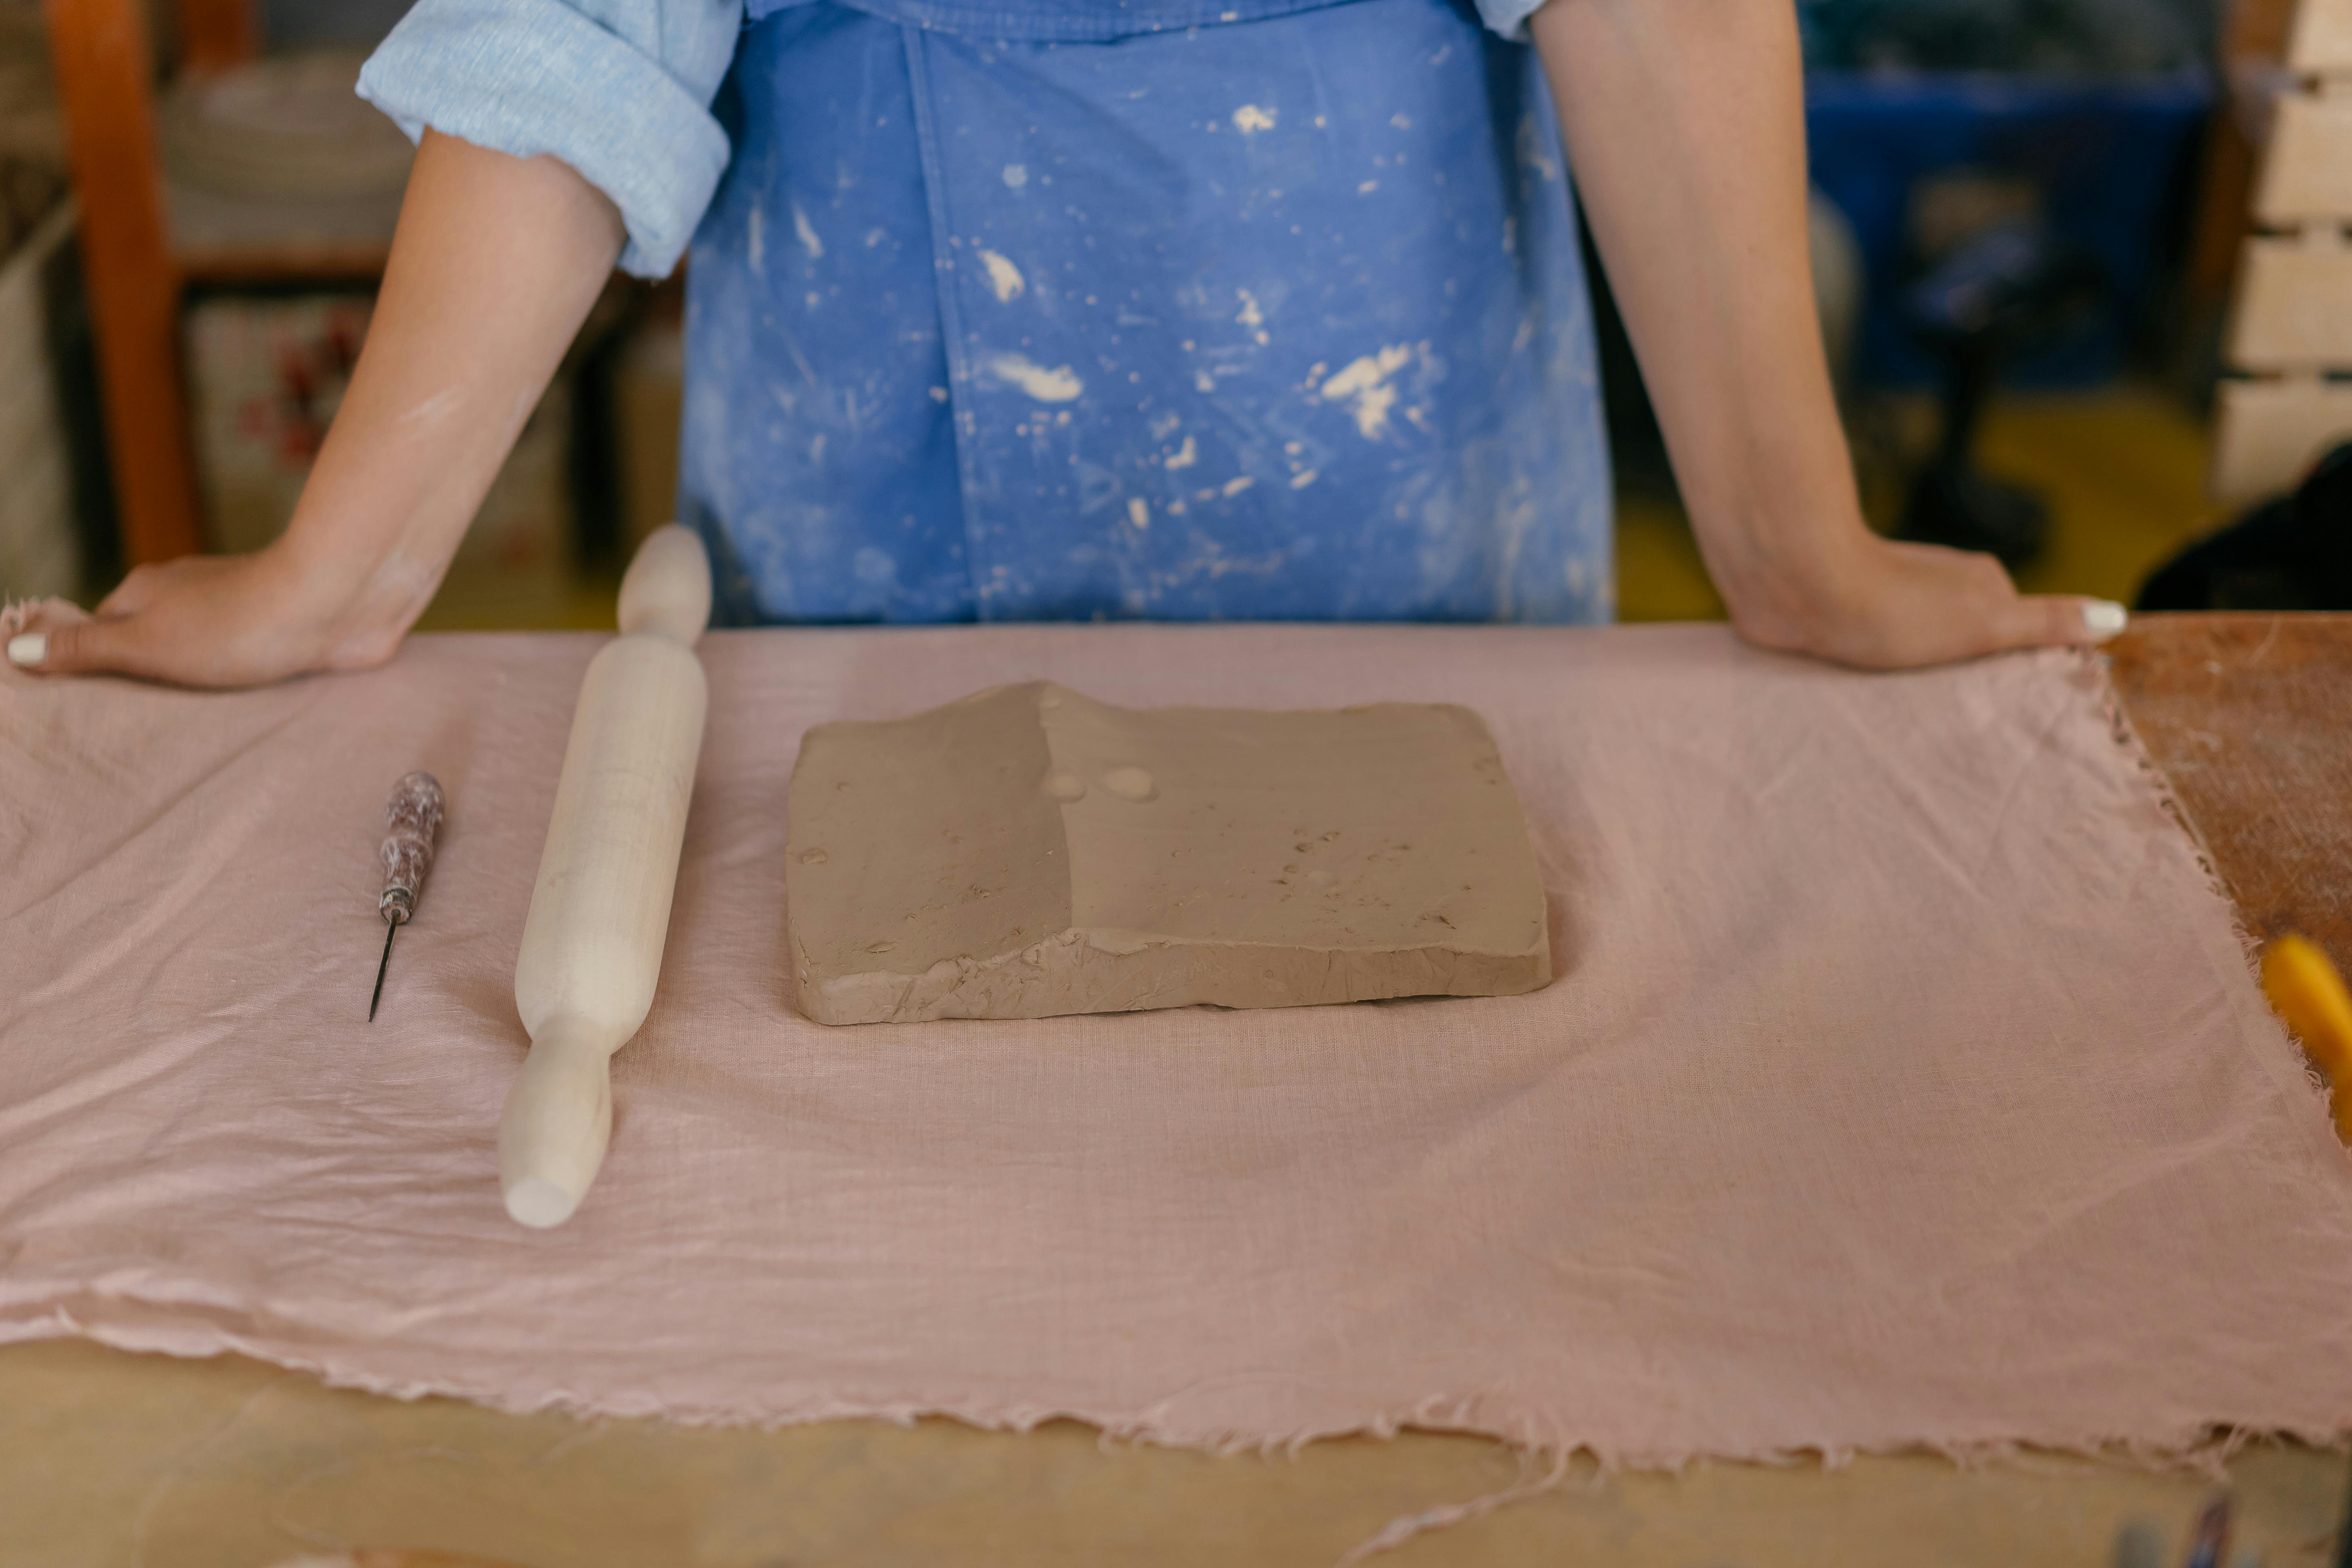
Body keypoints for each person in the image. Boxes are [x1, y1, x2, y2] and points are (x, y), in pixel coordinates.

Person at [4, 0, 2127, 688]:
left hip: (1384, 492)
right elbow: (578, 38)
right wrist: (339, 574)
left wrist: (1792, 542)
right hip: (877, 510)